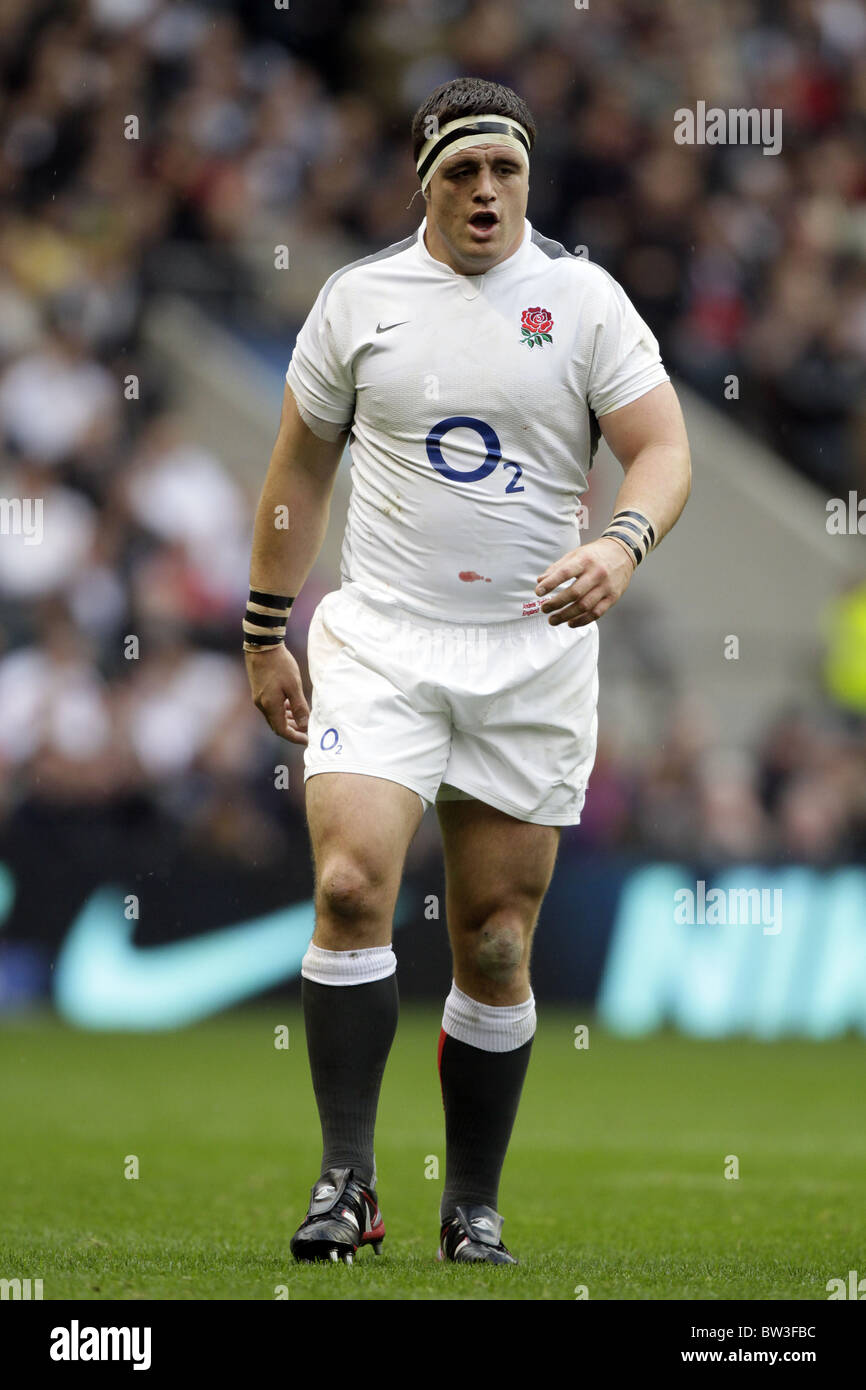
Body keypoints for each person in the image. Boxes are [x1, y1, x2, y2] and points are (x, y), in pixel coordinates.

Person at [244, 76, 691, 1265]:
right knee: (349, 884)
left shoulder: (584, 302)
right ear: (423, 180)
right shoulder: (359, 302)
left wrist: (619, 541)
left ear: (527, 180)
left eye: (504, 171)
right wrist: (261, 629)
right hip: (382, 641)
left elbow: (659, 448)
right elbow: (296, 472)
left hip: (528, 654)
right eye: (461, 173)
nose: (485, 191)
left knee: (494, 938)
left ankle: (472, 1203)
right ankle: (346, 1182)